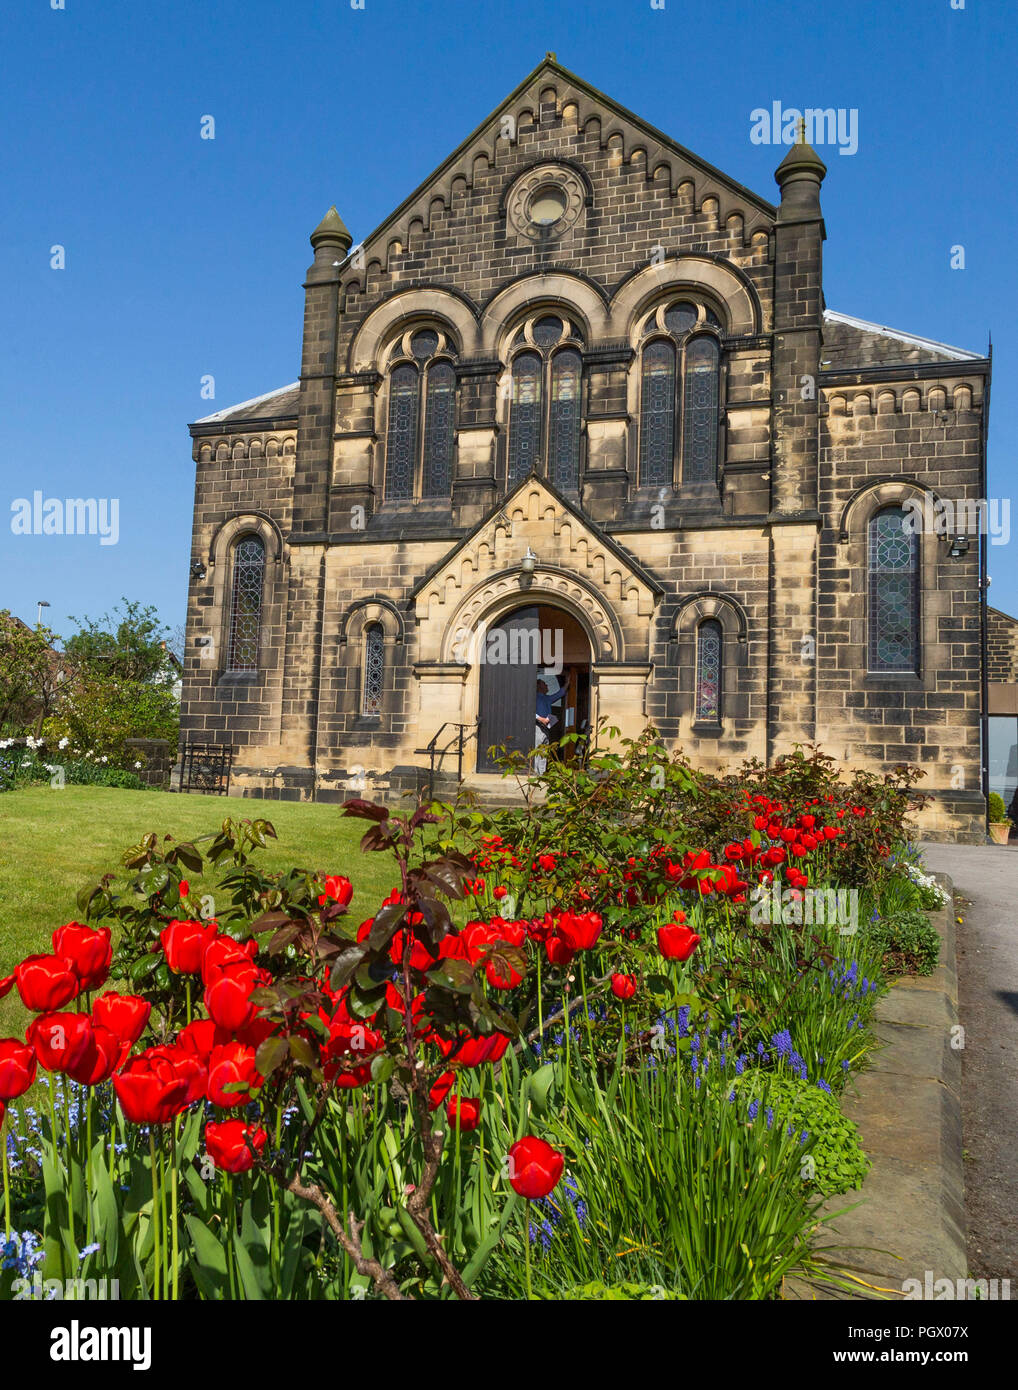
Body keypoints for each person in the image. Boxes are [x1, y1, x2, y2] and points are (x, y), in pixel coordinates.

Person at [534, 669, 574, 773]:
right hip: (537, 727)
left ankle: (541, 774)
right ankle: (534, 774)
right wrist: (539, 718)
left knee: (544, 752)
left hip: (546, 729)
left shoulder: (547, 698)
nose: (547, 685)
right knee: (537, 752)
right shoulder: (534, 697)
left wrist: (567, 682)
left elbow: (560, 694)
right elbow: (527, 710)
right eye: (544, 684)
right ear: (539, 686)